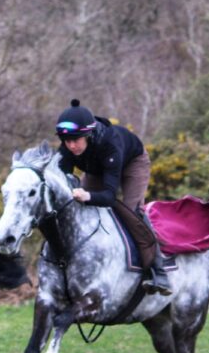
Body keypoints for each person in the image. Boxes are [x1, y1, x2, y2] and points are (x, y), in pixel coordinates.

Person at [55, 99, 172, 295]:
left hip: (132, 163)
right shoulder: (67, 147)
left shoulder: (110, 144)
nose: (71, 146)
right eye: (67, 141)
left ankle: (158, 271)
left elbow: (109, 197)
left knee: (131, 211)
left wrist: (87, 195)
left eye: (76, 140)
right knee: (77, 207)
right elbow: (62, 179)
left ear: (88, 135)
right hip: (98, 169)